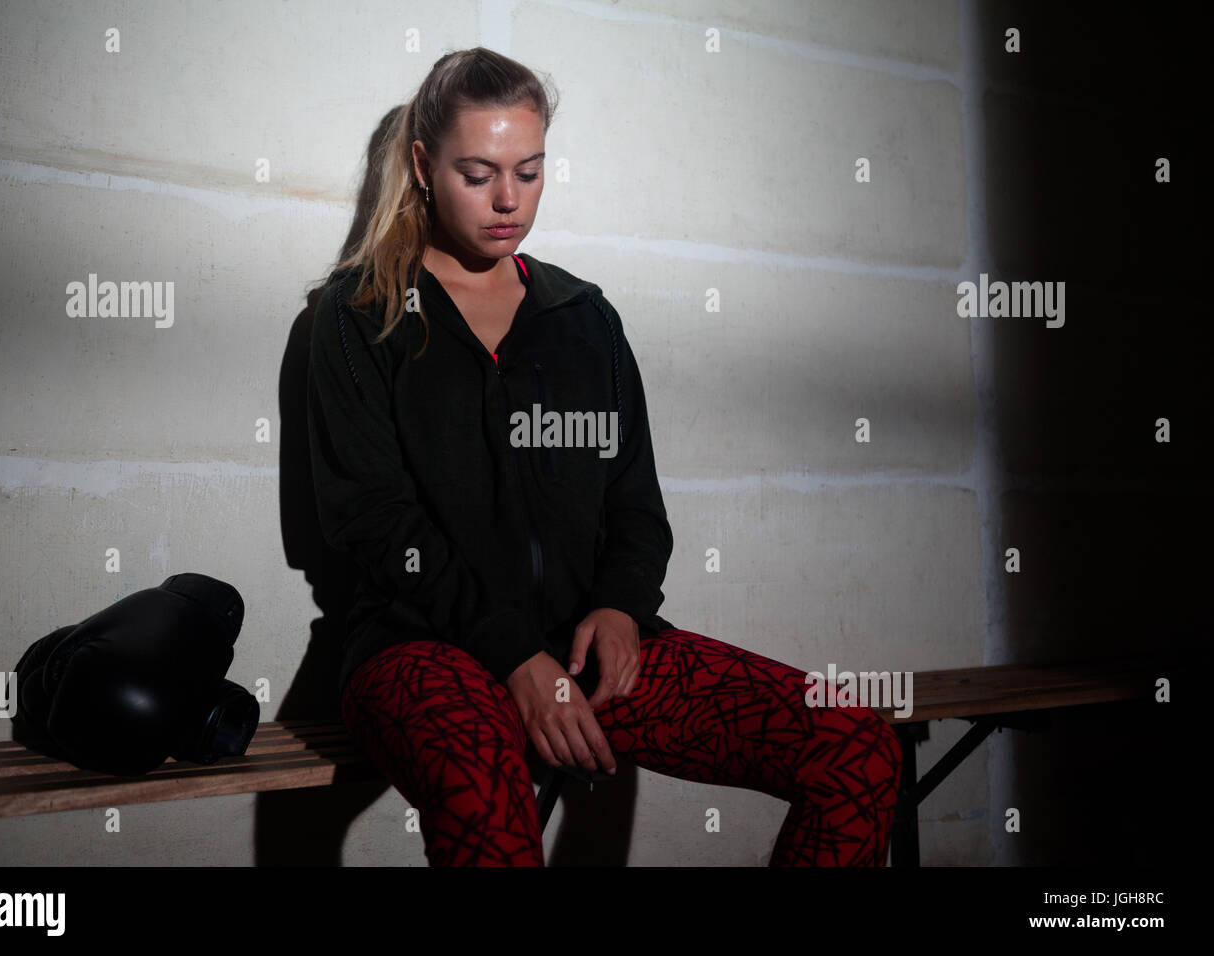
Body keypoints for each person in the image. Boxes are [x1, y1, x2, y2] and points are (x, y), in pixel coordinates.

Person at [306, 47, 901, 866]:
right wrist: (514, 654)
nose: (508, 199)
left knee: (858, 746)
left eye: (530, 170)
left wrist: (621, 607)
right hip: (422, 648)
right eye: (477, 174)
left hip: (584, 649)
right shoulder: (358, 314)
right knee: (486, 786)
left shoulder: (583, 316)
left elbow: (635, 500)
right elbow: (373, 521)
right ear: (421, 164)